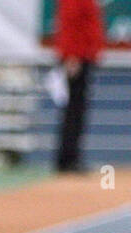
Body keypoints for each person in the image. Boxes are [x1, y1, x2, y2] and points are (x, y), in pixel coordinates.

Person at [52, 0, 106, 173]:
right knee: (73, 111)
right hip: (76, 57)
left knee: (77, 110)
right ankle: (67, 159)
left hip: (82, 55)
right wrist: (71, 55)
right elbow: (69, 23)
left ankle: (71, 157)